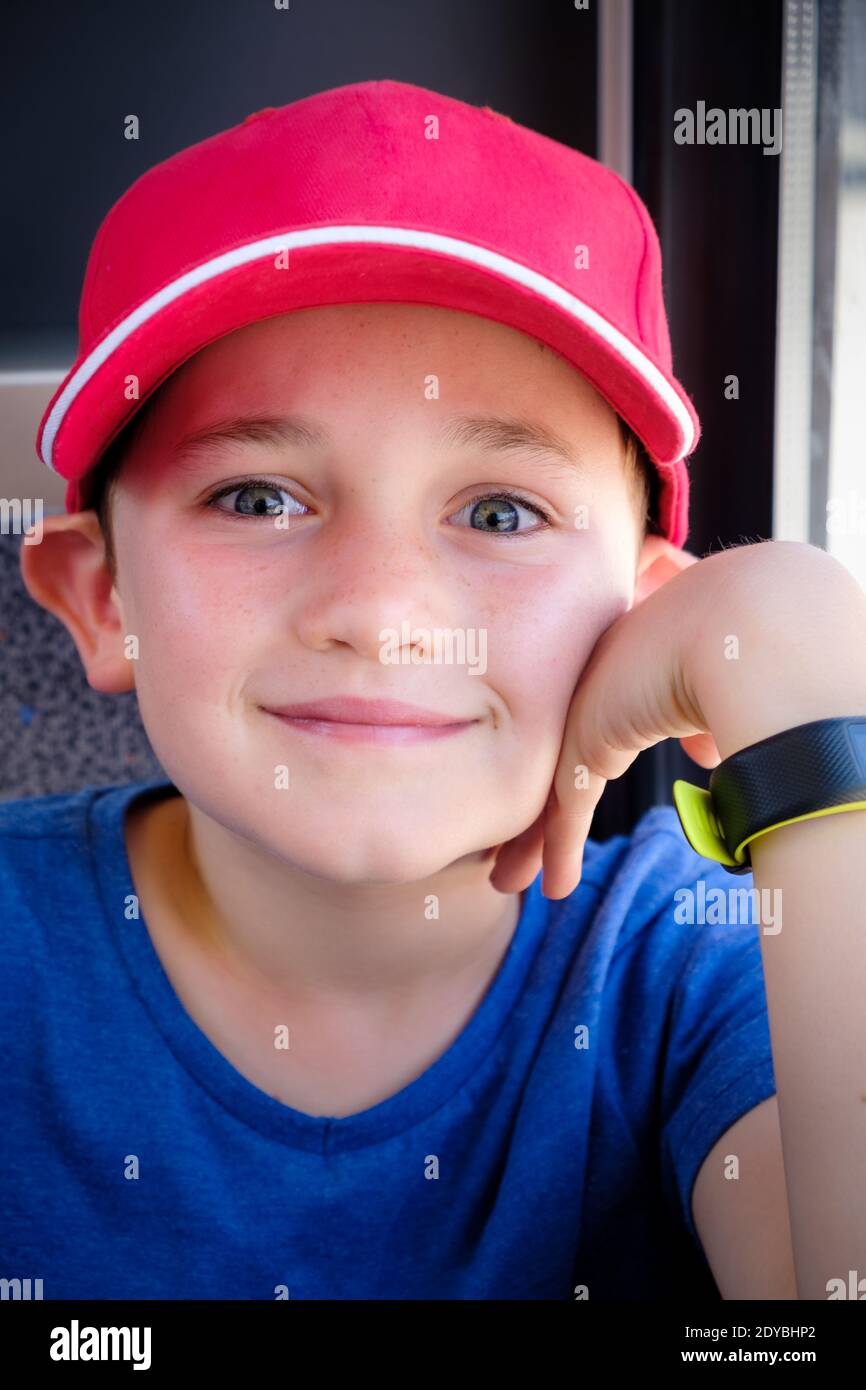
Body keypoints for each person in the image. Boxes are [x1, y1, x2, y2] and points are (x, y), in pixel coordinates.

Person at [5, 79, 863, 1302]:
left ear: (645, 615)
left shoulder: (697, 970)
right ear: (102, 600)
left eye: (500, 513)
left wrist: (802, 657)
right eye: (257, 497)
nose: (381, 613)